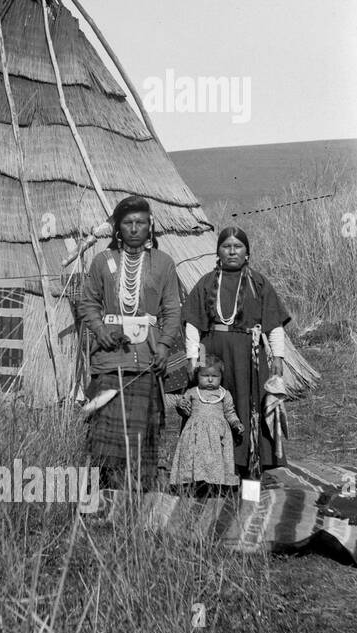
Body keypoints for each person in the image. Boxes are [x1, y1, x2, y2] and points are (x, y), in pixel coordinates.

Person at [76, 195, 181, 489]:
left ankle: (139, 495)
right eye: (127, 223)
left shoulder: (163, 263)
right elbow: (88, 303)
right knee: (104, 434)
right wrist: (100, 330)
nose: (135, 229)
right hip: (110, 359)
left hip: (146, 359)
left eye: (141, 223)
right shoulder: (102, 261)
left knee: (142, 433)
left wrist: (164, 346)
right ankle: (102, 494)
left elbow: (172, 310)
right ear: (118, 228)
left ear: (150, 226)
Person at [181, 226, 291, 477]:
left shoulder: (258, 283)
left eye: (237, 246)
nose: (232, 251)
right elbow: (192, 323)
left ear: (247, 252)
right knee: (208, 403)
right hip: (211, 355)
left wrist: (278, 356)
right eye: (226, 246)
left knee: (247, 407)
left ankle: (247, 468)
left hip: (248, 357)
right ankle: (206, 471)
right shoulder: (207, 282)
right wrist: (193, 357)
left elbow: (274, 323)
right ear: (218, 252)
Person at [168, 359, 243, 496]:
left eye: (214, 376)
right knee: (193, 457)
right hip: (195, 434)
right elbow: (184, 410)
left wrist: (236, 423)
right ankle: (192, 485)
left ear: (221, 377)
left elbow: (230, 412)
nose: (210, 380)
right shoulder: (192, 392)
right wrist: (181, 405)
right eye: (205, 376)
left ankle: (216, 487)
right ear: (197, 376)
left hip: (217, 435)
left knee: (215, 460)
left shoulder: (224, 394)